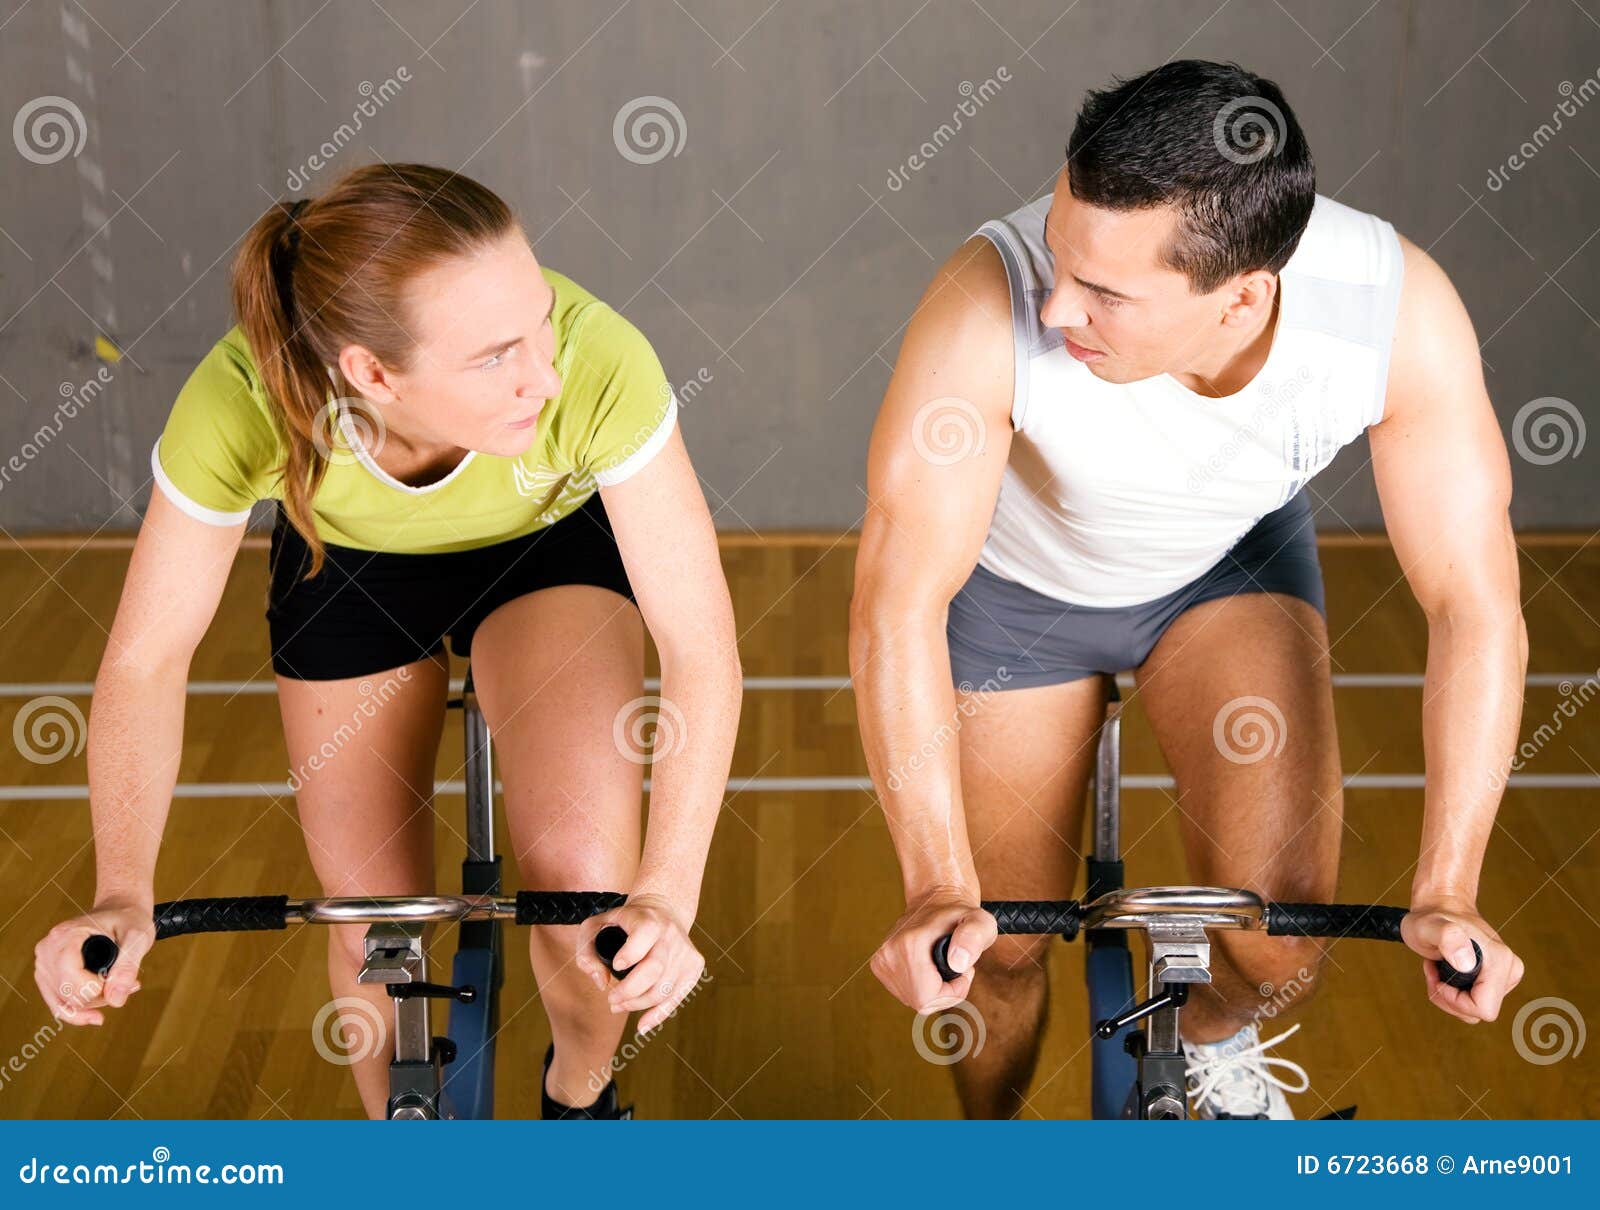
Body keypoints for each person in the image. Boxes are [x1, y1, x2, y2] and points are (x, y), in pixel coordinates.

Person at [852, 60, 1527, 1119]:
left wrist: (1448, 889)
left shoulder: (1392, 311)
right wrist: (935, 881)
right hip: (1016, 591)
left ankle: (1202, 1050)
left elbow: (1473, 607)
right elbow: (893, 607)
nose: (1055, 302)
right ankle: (990, 1143)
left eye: (1106, 293)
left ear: (1243, 296)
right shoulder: (982, 302)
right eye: (1062, 256)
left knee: (1278, 947)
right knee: (994, 948)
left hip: (1221, 575)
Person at [32, 162, 742, 1120]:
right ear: (371, 373)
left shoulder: (598, 360)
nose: (548, 371)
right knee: (373, 918)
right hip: (351, 565)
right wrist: (122, 888)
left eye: (541, 319)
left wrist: (667, 894)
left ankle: (577, 1095)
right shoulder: (241, 399)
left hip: (545, 545)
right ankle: (399, 1148)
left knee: (587, 900)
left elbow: (699, 645)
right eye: (497, 354)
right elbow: (145, 659)